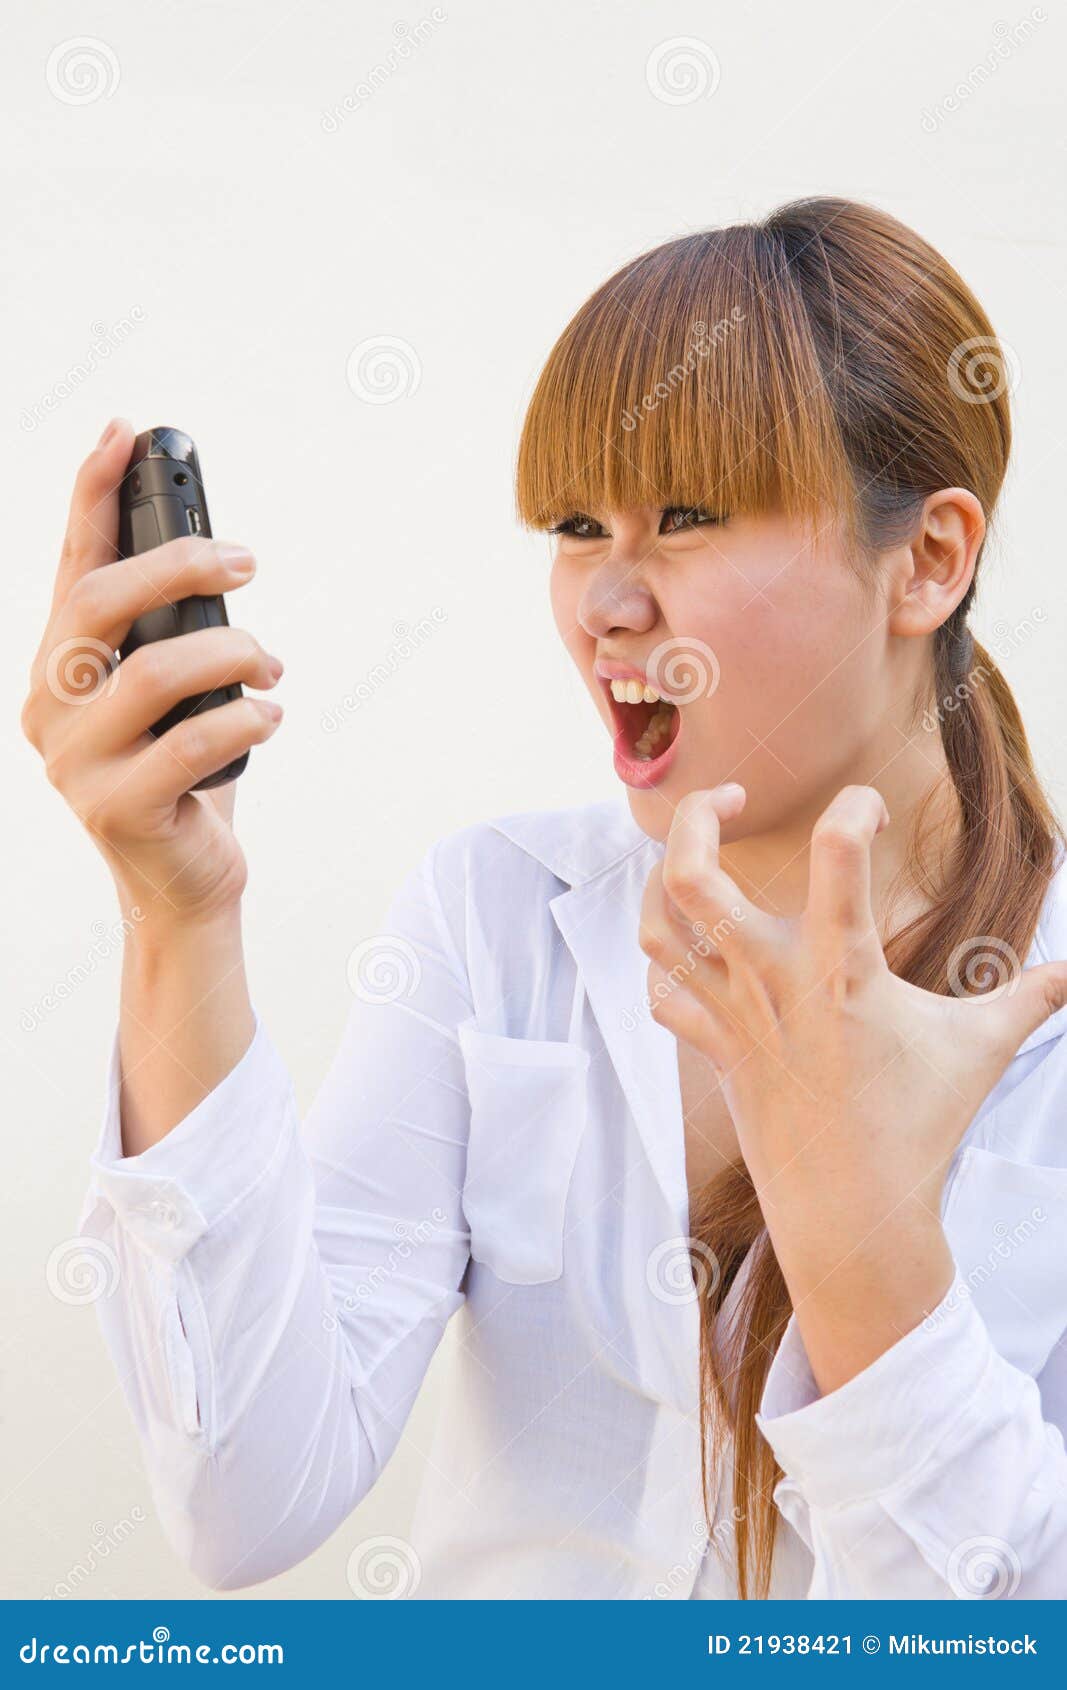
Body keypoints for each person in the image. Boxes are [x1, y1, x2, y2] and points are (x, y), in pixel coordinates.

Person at [22, 196, 1067, 1599]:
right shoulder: (497, 913)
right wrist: (178, 909)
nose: (605, 604)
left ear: (929, 560)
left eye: (688, 517)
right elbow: (244, 1502)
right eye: (580, 527)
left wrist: (859, 1229)